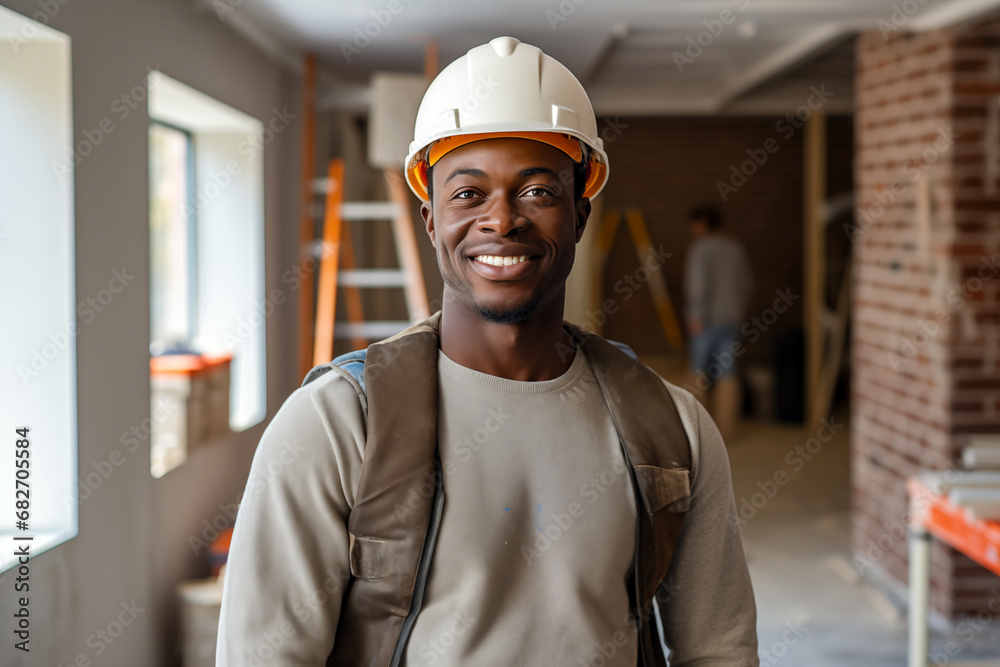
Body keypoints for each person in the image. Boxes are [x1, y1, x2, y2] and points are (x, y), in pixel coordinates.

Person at [217, 37, 758, 667]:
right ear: (430, 219)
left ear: (580, 215)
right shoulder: (337, 426)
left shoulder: (673, 430)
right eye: (468, 194)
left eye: (537, 192)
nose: (502, 220)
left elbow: (719, 651)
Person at [684, 204, 754, 441]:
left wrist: (695, 316)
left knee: (698, 374)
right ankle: (727, 429)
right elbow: (746, 285)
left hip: (705, 320)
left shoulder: (700, 249)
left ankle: (700, 433)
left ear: (701, 223)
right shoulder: (735, 248)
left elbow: (698, 286)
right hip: (731, 319)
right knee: (728, 373)